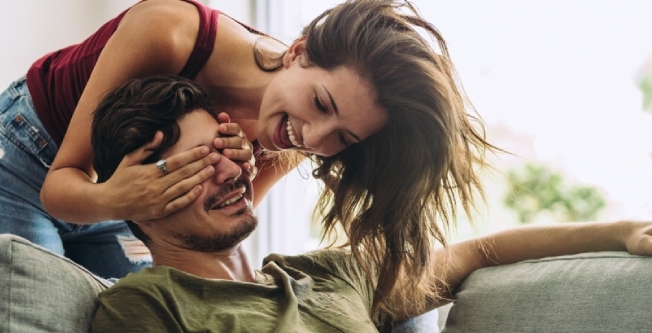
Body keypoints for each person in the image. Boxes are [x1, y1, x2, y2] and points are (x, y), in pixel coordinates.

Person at [87, 76, 652, 333]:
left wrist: (620, 229)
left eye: (226, 149)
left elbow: (473, 254)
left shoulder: (328, 275)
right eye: (196, 165)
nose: (230, 170)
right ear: (136, 194)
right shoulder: (146, 308)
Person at [0, 0, 493, 286]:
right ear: (297, 52)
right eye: (321, 103)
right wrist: (120, 198)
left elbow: (207, 236)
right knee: (45, 305)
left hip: (129, 203)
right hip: (32, 160)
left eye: (343, 137)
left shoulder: (295, 137)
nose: (312, 138)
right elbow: (60, 185)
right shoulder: (170, 33)